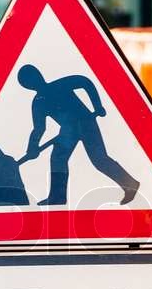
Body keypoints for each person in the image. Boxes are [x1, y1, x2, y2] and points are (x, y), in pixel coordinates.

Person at [16, 64, 140, 208]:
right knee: (58, 158)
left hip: (86, 123)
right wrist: (32, 148)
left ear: (39, 76)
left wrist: (97, 106)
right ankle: (57, 197)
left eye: (33, 79)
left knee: (99, 159)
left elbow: (85, 82)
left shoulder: (59, 85)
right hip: (68, 131)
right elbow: (39, 128)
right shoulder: (38, 102)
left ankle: (129, 184)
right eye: (29, 83)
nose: (33, 83)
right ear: (28, 87)